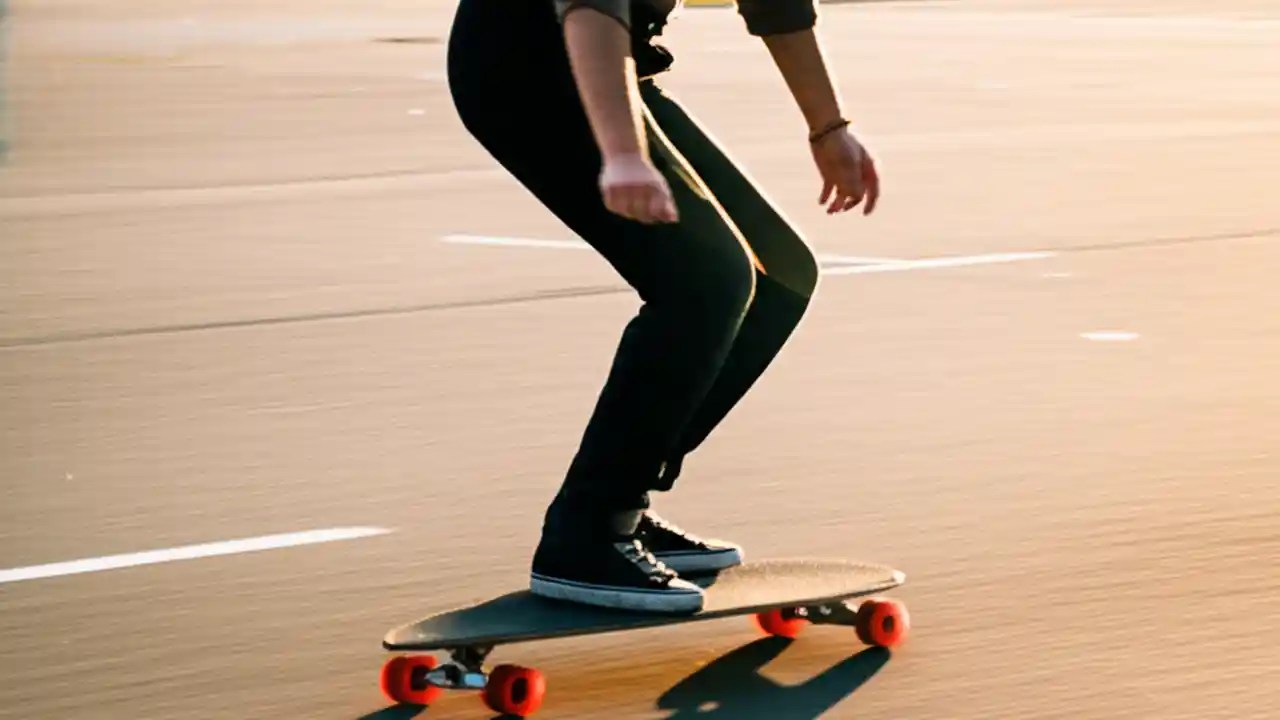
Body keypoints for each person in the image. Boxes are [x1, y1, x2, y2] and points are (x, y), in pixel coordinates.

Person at [446, 0, 880, 614]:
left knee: (781, 273)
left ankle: (623, 497)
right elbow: (591, 8)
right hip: (528, 70)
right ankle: (586, 533)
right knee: (706, 282)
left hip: (618, 68)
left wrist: (828, 129)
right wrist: (623, 152)